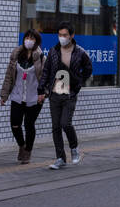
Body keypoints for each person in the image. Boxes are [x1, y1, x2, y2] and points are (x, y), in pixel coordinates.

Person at [39, 23, 93, 169]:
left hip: (70, 94)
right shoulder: (53, 51)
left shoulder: (80, 52)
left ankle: (74, 149)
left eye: (65, 35)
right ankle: (60, 158)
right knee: (56, 127)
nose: (62, 38)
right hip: (55, 93)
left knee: (65, 123)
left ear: (71, 36)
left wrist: (78, 83)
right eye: (60, 35)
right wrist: (42, 88)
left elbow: (88, 69)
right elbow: (46, 71)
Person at [0, 28, 44, 162]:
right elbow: (9, 77)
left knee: (29, 125)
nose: (29, 41)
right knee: (15, 124)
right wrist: (4, 95)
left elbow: (46, 78)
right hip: (17, 96)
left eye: (32, 38)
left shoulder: (41, 58)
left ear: (36, 41)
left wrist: (43, 93)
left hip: (34, 98)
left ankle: (28, 152)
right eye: (27, 37)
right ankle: (22, 145)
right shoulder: (16, 55)